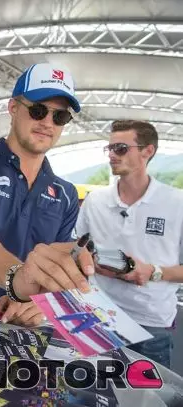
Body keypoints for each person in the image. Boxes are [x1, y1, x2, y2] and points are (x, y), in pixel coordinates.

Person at [0, 63, 95, 326]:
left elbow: (59, 259)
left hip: (28, 325)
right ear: (13, 108)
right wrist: (17, 279)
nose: (48, 122)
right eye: (38, 110)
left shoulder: (66, 193)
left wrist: (43, 300)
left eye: (60, 117)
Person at [75, 120, 183, 368]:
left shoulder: (177, 203)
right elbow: (77, 249)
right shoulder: (96, 201)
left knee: (145, 398)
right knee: (91, 394)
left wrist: (153, 272)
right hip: (97, 317)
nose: (112, 155)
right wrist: (88, 262)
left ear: (148, 151)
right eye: (109, 149)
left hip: (150, 325)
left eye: (121, 148)